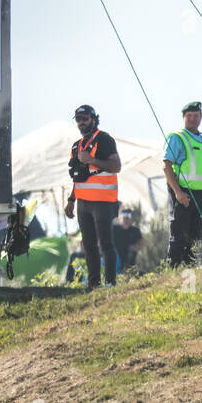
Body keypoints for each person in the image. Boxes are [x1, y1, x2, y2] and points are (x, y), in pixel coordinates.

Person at [64, 104, 122, 290]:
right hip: (83, 203)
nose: (82, 123)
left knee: (106, 243)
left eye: (85, 119)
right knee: (89, 245)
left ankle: (111, 283)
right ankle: (93, 284)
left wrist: (91, 160)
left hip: (103, 201)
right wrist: (71, 200)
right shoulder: (76, 145)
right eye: (79, 120)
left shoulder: (104, 139)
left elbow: (116, 166)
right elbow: (78, 175)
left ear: (94, 119)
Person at [163, 101, 202, 266]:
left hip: (199, 194)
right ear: (183, 118)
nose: (192, 119)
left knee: (194, 237)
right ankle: (173, 271)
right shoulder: (178, 138)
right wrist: (177, 192)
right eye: (189, 116)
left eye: (196, 116)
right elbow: (166, 166)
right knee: (179, 235)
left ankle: (189, 271)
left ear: (201, 117)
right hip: (182, 192)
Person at [111, 208, 144, 273]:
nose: (126, 220)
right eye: (124, 217)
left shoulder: (135, 231)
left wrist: (134, 248)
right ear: (120, 217)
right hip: (114, 261)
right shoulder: (113, 229)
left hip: (130, 263)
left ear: (131, 219)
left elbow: (141, 244)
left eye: (128, 218)